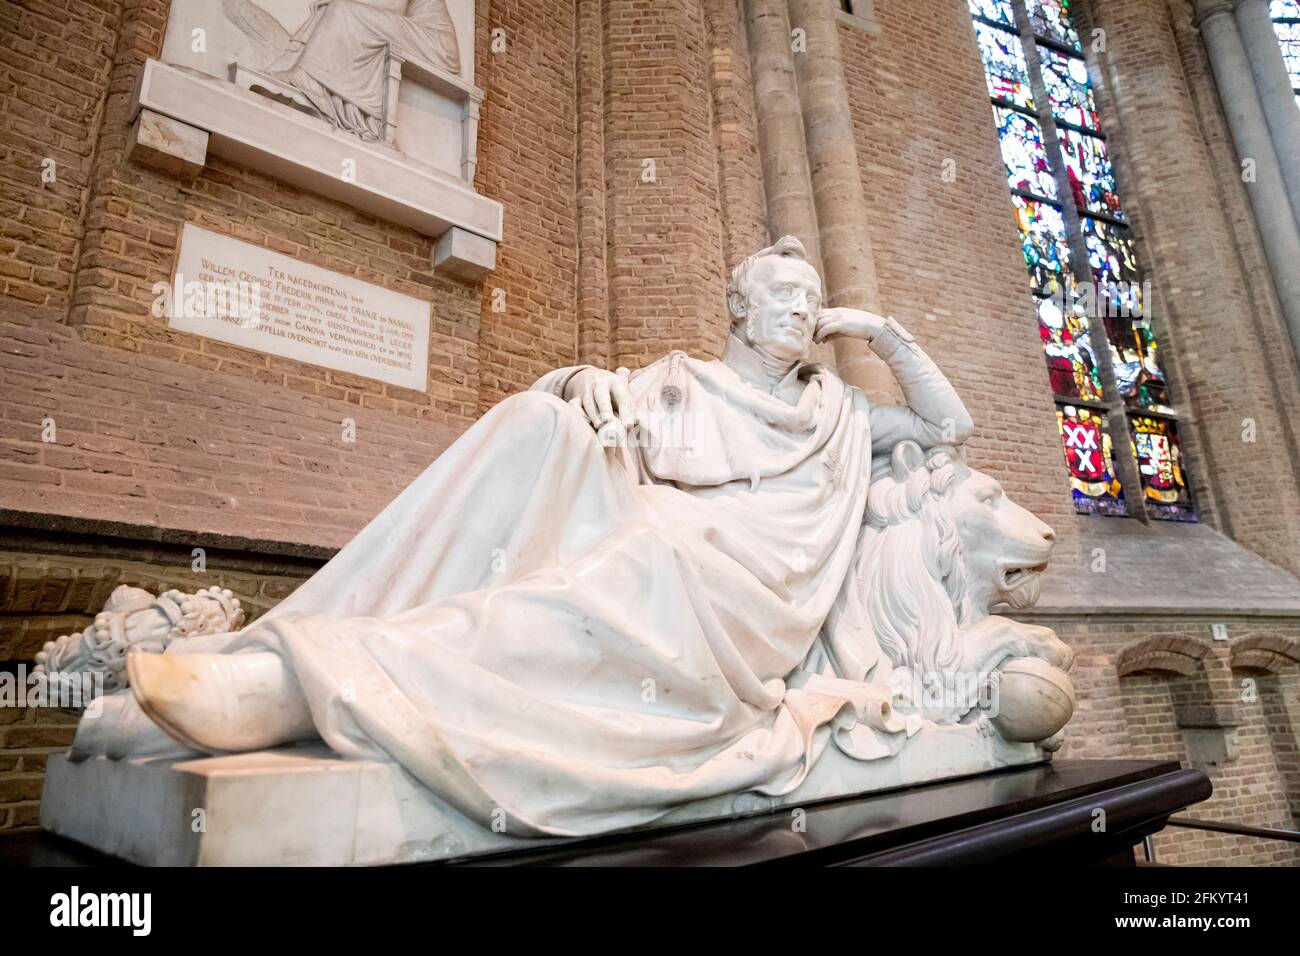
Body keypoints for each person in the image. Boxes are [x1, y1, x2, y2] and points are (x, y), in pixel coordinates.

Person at [75, 237, 973, 837]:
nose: (799, 309)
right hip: (654, 531)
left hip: (744, 590)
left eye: (811, 300)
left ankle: (300, 689)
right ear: (738, 309)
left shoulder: (841, 414)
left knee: (640, 563)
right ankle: (305, 649)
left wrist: (883, 334)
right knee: (530, 423)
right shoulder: (680, 380)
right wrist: (577, 380)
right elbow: (604, 408)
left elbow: (946, 427)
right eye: (781, 294)